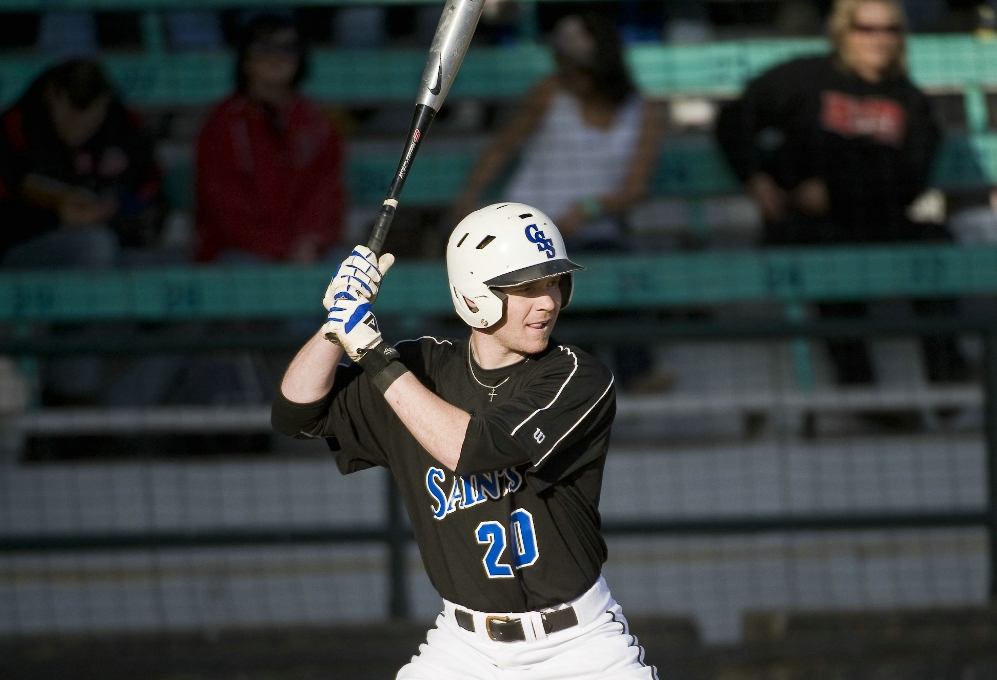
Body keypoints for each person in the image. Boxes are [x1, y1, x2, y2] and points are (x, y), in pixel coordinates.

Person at [272, 203, 657, 679]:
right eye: (526, 289)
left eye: (554, 283)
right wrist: (335, 326)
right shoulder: (422, 370)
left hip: (580, 646)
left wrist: (374, 355)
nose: (549, 301)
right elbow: (295, 413)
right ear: (475, 294)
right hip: (465, 649)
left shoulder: (578, 376)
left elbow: (475, 449)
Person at [716, 0, 970, 388]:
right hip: (811, 226)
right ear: (842, 33)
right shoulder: (805, 77)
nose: (879, 40)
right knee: (829, 261)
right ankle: (860, 389)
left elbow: (909, 176)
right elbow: (735, 117)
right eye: (866, 29)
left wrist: (835, 191)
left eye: (890, 30)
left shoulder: (909, 100)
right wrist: (755, 178)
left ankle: (948, 373)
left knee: (936, 241)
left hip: (877, 218)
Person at [452, 13, 664, 252]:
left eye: (576, 67)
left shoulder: (645, 111)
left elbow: (635, 189)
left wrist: (587, 210)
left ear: (602, 67)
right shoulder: (550, 92)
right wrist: (467, 199)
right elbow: (502, 148)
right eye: (562, 61)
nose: (565, 71)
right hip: (524, 229)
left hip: (593, 237)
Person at [194, 14, 344, 264]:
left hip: (307, 250)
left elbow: (326, 193)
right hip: (241, 250)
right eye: (264, 48)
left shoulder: (316, 120)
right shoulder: (224, 123)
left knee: (348, 271)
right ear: (246, 59)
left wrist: (310, 241)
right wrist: (279, 249)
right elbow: (223, 207)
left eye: (287, 48)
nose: (277, 57)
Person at [0, 60, 162, 267]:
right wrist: (56, 215)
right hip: (23, 249)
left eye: (87, 123)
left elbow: (153, 197)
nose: (77, 130)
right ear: (51, 95)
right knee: (95, 245)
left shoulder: (125, 129)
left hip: (112, 240)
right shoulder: (14, 129)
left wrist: (112, 208)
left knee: (149, 264)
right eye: (69, 119)